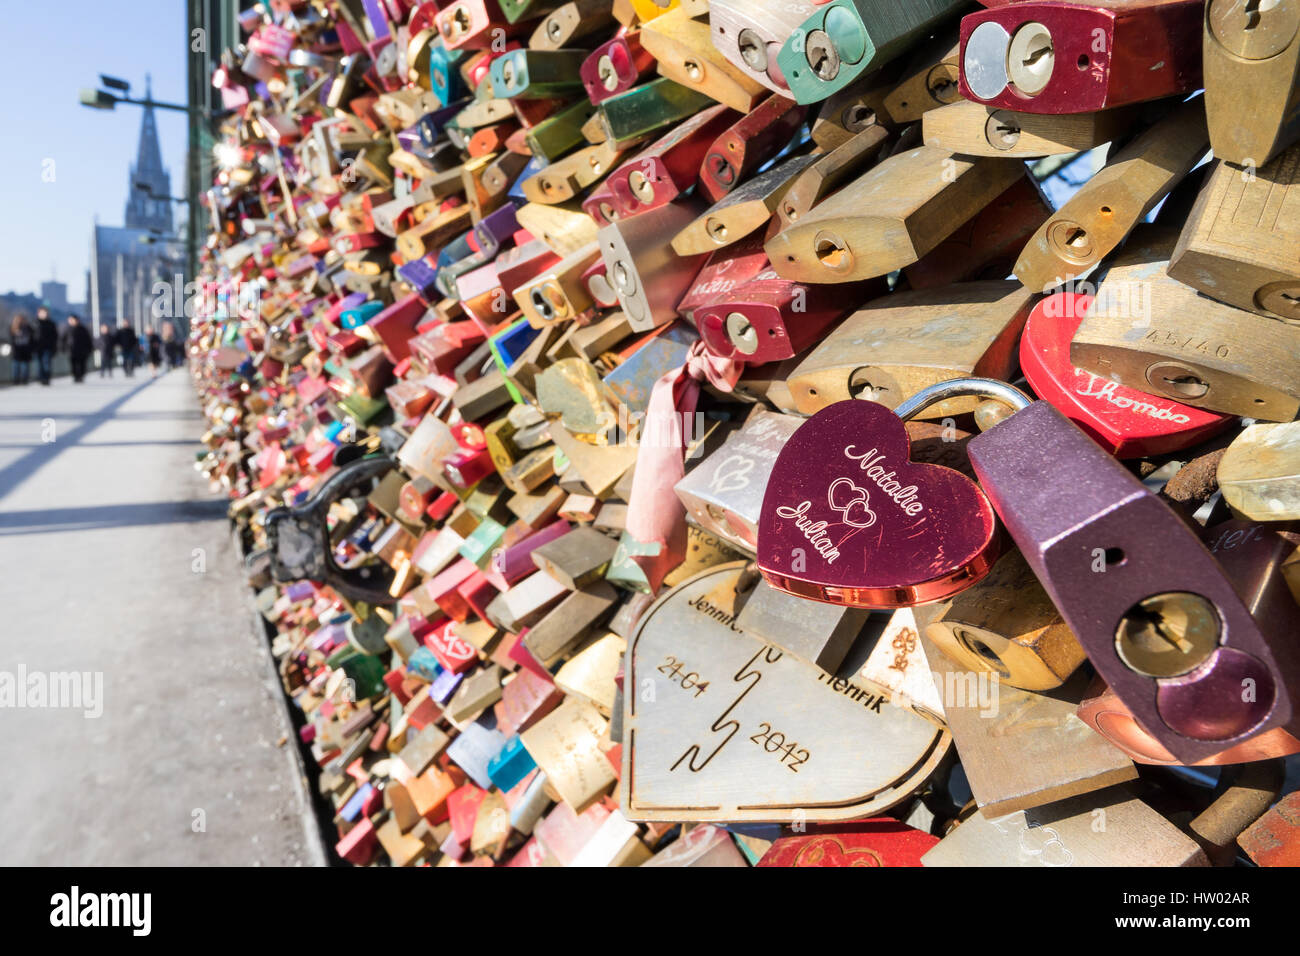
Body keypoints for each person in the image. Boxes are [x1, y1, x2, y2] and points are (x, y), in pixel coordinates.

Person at [61, 314, 94, 383]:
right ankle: (75, 376)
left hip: (82, 350)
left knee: (82, 364)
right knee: (73, 364)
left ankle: (81, 375)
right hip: (71, 350)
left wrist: (89, 349)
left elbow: (88, 340)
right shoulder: (67, 329)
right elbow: (63, 339)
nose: (71, 321)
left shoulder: (83, 329)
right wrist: (63, 348)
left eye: (73, 320)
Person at [34, 306, 58, 386]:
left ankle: (46, 378)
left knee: (46, 363)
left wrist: (54, 347)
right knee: (39, 364)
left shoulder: (51, 324)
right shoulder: (35, 323)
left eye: (45, 313)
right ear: (38, 313)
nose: (44, 315)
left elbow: (55, 337)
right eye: (42, 313)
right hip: (37, 347)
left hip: (48, 347)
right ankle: (41, 378)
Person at [9, 312, 34, 385]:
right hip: (16, 350)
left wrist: (31, 348)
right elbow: (10, 339)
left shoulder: (28, 328)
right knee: (16, 366)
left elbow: (32, 338)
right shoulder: (12, 328)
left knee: (24, 367)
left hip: (26, 350)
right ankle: (16, 380)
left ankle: (24, 380)